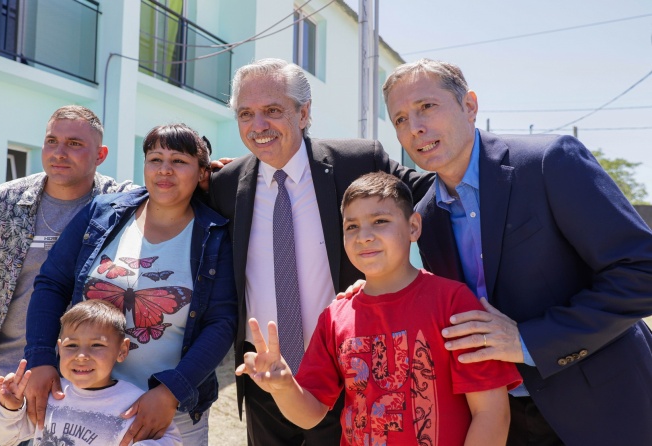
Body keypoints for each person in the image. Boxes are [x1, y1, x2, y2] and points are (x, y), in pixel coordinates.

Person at [382, 58, 652, 445]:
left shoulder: (547, 162)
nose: (415, 128)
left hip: (602, 408)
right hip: (503, 422)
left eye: (427, 106)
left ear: (469, 106)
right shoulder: (426, 218)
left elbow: (641, 270)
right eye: (400, 119)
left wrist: (529, 341)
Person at [209, 58, 433, 445]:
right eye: (246, 114)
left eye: (273, 111)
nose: (258, 126)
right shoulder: (225, 183)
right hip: (266, 375)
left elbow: (437, 193)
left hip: (352, 372)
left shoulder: (358, 161)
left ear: (304, 112)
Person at [237, 172, 522, 446]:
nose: (364, 236)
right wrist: (284, 387)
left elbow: (492, 413)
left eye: (380, 221)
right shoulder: (335, 317)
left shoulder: (452, 303)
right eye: (352, 226)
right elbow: (310, 415)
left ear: (413, 227)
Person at [24, 123, 236, 446]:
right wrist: (40, 359)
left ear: (202, 173)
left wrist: (171, 392)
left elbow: (221, 324)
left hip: (166, 413)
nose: (165, 170)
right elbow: (52, 283)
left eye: (179, 161)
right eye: (155, 159)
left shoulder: (215, 236)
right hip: (83, 399)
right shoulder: (103, 212)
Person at [0, 105, 136, 445]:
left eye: (75, 144)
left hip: (78, 388)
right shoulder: (3, 203)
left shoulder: (120, 205)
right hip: (0, 381)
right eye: (52, 141)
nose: (59, 153)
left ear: (101, 154)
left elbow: (170, 187)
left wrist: (214, 175)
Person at [0, 300, 182, 446]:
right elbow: (5, 438)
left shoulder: (133, 402)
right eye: (71, 345)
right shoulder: (48, 395)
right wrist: (10, 408)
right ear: (59, 349)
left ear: (122, 351)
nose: (81, 356)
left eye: (97, 345)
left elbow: (172, 440)